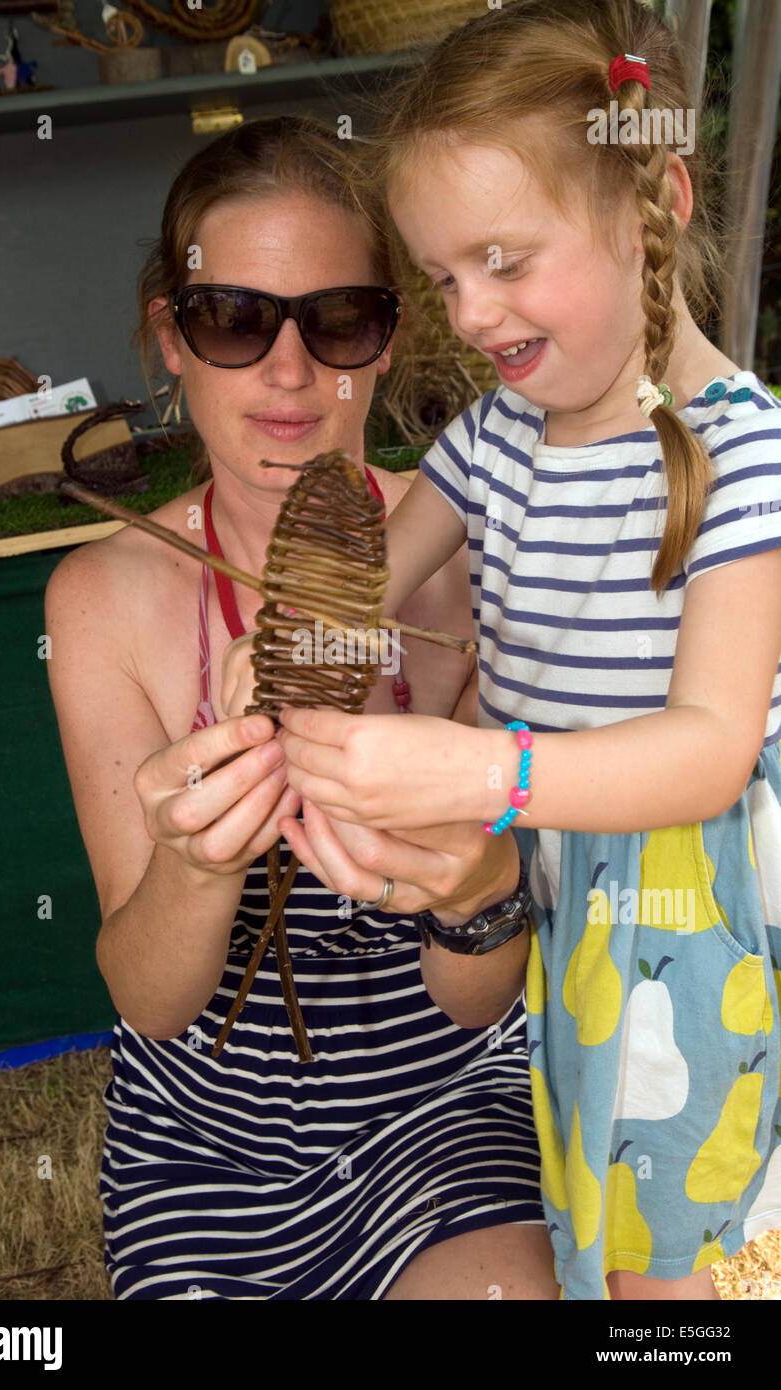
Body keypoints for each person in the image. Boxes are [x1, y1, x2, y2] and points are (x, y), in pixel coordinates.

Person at [267, 2, 781, 1300]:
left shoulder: (738, 456)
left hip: (697, 908)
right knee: (594, 1221)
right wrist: (283, 654)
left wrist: (474, 772)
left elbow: (709, 751)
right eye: (443, 276)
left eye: (502, 258)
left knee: (686, 1261)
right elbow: (370, 581)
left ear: (649, 202)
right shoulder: (500, 436)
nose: (470, 310)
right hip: (571, 892)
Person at [44, 114, 558, 1301]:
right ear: (169, 338)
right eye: (234, 320)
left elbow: (475, 995)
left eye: (338, 320)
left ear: (388, 340)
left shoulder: (468, 567)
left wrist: (481, 887)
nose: (289, 371)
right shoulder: (99, 599)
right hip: (204, 1134)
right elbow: (151, 999)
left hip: (440, 1104)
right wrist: (197, 858)